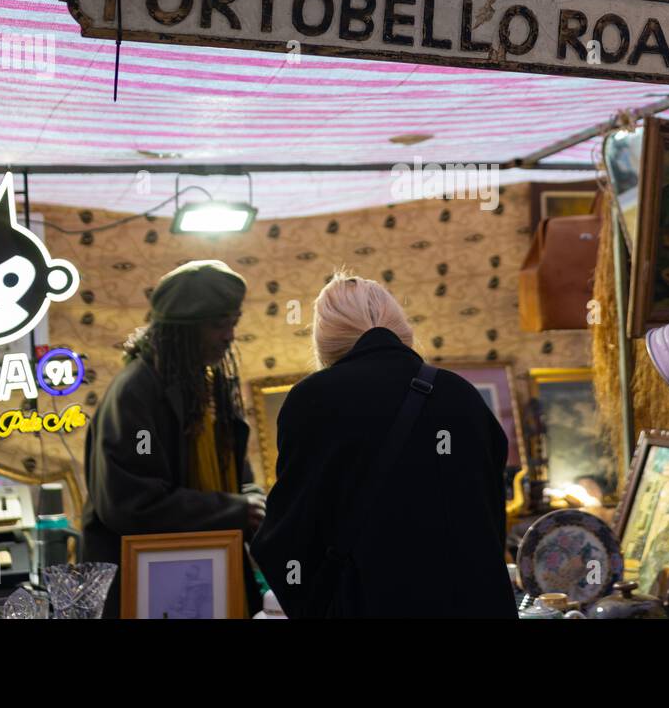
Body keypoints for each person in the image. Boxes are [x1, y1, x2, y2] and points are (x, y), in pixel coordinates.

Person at [252, 272, 516, 618]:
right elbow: (490, 516)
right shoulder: (460, 394)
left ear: (324, 340)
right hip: (475, 603)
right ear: (401, 327)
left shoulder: (314, 399)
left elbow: (294, 526)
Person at [82, 260, 266, 617]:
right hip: (152, 586)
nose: (229, 335)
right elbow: (133, 504)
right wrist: (233, 509)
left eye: (233, 323)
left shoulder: (212, 384)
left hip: (209, 568)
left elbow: (237, 472)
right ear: (183, 330)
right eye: (217, 325)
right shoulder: (135, 391)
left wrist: (250, 498)